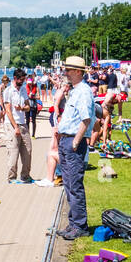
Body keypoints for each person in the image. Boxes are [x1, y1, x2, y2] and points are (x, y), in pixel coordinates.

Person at [55, 55, 93, 238]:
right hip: (66, 140)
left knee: (75, 185)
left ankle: (80, 226)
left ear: (78, 72)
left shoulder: (84, 91)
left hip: (73, 142)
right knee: (68, 184)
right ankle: (73, 223)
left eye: (68, 70)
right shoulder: (75, 90)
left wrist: (76, 141)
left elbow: (86, 120)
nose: (65, 73)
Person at [4, 68, 33, 184]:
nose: (23, 81)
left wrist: (22, 108)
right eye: (21, 79)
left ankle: (25, 176)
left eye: (24, 79)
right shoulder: (8, 91)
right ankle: (11, 178)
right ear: (15, 78)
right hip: (12, 124)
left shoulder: (23, 90)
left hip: (23, 123)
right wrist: (15, 126)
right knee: (13, 151)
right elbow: (8, 110)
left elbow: (28, 107)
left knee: (28, 150)